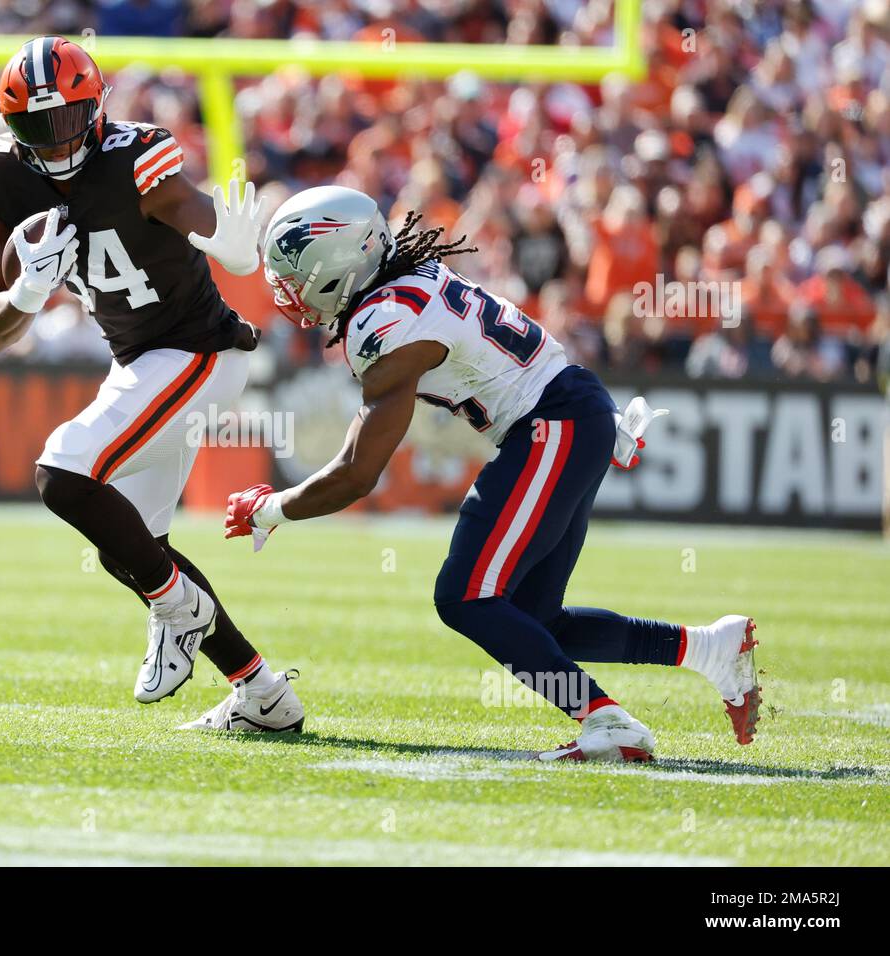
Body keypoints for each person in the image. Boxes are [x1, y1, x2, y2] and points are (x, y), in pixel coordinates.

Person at [223, 185, 761, 761]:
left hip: (552, 424)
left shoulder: (382, 323)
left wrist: (271, 509)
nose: (286, 288)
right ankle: (709, 648)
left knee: (465, 596)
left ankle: (606, 720)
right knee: (532, 618)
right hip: (568, 412)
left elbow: (359, 472)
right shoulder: (407, 280)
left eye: (293, 272)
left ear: (336, 263)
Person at [0, 36, 302, 732]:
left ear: (95, 111)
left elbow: (204, 220)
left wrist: (236, 245)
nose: (56, 142)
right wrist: (27, 292)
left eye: (68, 121)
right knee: (129, 546)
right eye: (38, 127)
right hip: (142, 362)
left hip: (200, 352)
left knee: (62, 472)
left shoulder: (137, 155)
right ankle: (263, 694)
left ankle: (177, 606)